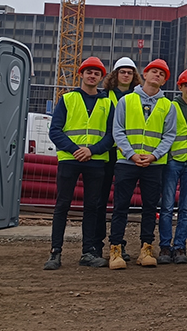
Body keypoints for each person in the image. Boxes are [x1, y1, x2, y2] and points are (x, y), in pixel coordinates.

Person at [44, 57, 114, 270]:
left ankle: (88, 252)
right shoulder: (67, 99)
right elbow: (55, 130)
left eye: (96, 73)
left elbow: (112, 135)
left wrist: (91, 150)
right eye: (89, 72)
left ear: (101, 78)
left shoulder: (107, 103)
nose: (92, 76)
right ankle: (55, 253)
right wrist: (75, 149)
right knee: (62, 205)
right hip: (70, 159)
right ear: (81, 75)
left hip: (96, 160)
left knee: (92, 207)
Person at [108, 59, 177, 270]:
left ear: (165, 80)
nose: (157, 75)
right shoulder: (127, 101)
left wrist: (154, 155)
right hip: (127, 162)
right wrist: (131, 154)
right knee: (121, 207)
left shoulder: (168, 106)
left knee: (150, 207)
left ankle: (146, 248)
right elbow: (117, 130)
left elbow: (169, 135)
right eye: (154, 72)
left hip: (154, 165)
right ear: (145, 74)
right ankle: (115, 248)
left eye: (162, 74)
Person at [158, 69, 187, 265]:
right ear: (180, 87)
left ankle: (180, 246)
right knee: (167, 206)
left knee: (186, 208)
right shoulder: (171, 107)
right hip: (174, 160)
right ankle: (164, 246)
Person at [99, 56, 141, 262]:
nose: (126, 75)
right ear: (115, 75)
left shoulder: (139, 97)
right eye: (122, 71)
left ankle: (119, 243)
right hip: (108, 154)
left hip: (128, 156)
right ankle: (100, 244)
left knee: (122, 203)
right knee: (102, 202)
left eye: (130, 72)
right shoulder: (105, 97)